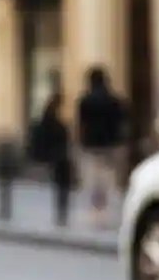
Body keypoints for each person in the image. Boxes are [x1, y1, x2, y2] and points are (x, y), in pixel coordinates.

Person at [76, 67, 126, 229]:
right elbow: (121, 123)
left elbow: (81, 125)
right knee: (108, 179)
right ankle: (107, 212)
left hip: (91, 145)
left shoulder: (85, 101)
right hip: (110, 145)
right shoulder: (115, 100)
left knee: (94, 180)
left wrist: (80, 142)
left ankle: (97, 212)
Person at [28, 85, 72, 226]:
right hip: (56, 157)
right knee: (61, 186)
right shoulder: (56, 124)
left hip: (52, 157)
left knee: (59, 187)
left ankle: (60, 214)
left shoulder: (45, 121)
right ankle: (61, 214)